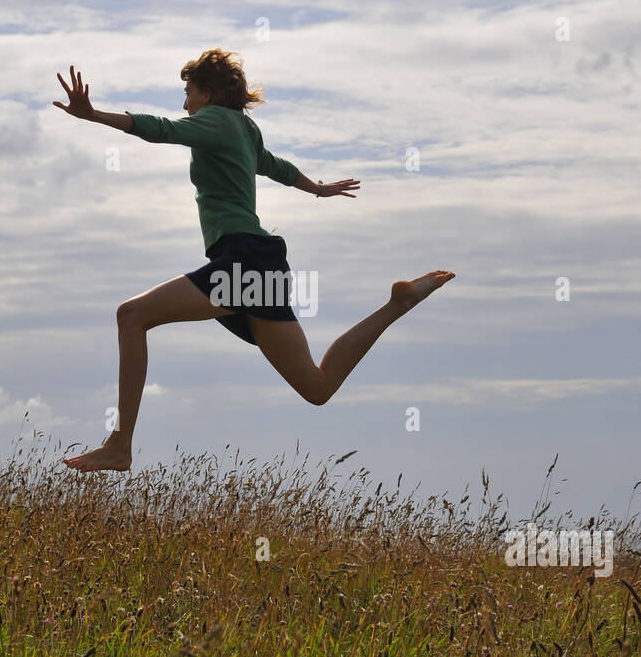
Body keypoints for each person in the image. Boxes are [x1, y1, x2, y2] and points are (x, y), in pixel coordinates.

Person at [53, 49, 454, 471]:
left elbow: (160, 129)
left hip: (243, 260)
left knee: (131, 315)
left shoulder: (215, 121)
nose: (185, 103)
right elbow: (275, 166)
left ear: (207, 94)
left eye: (188, 93)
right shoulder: (245, 128)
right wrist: (318, 190)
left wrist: (94, 115)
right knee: (318, 387)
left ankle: (119, 445)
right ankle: (397, 304)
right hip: (264, 265)